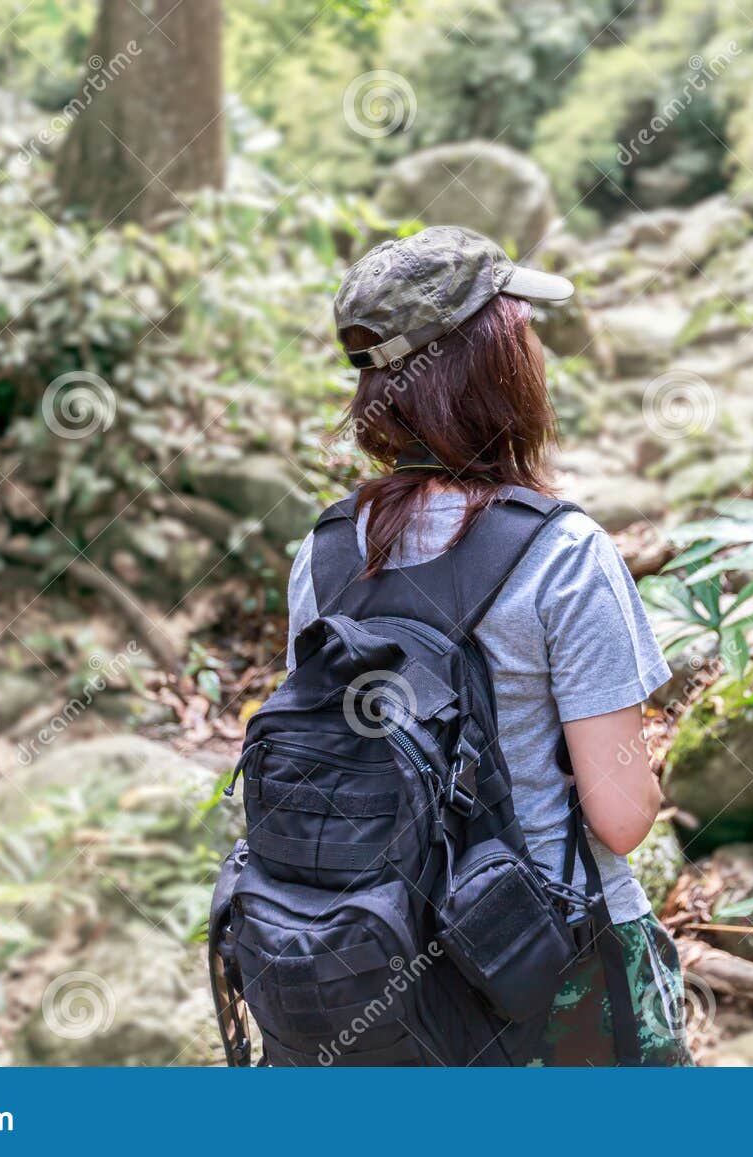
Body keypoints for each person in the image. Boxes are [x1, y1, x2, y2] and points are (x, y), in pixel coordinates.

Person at [284, 225, 693, 1066]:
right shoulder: (563, 551)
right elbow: (621, 819)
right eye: (522, 331)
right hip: (548, 968)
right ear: (493, 368)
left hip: (379, 968)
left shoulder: (323, 555)